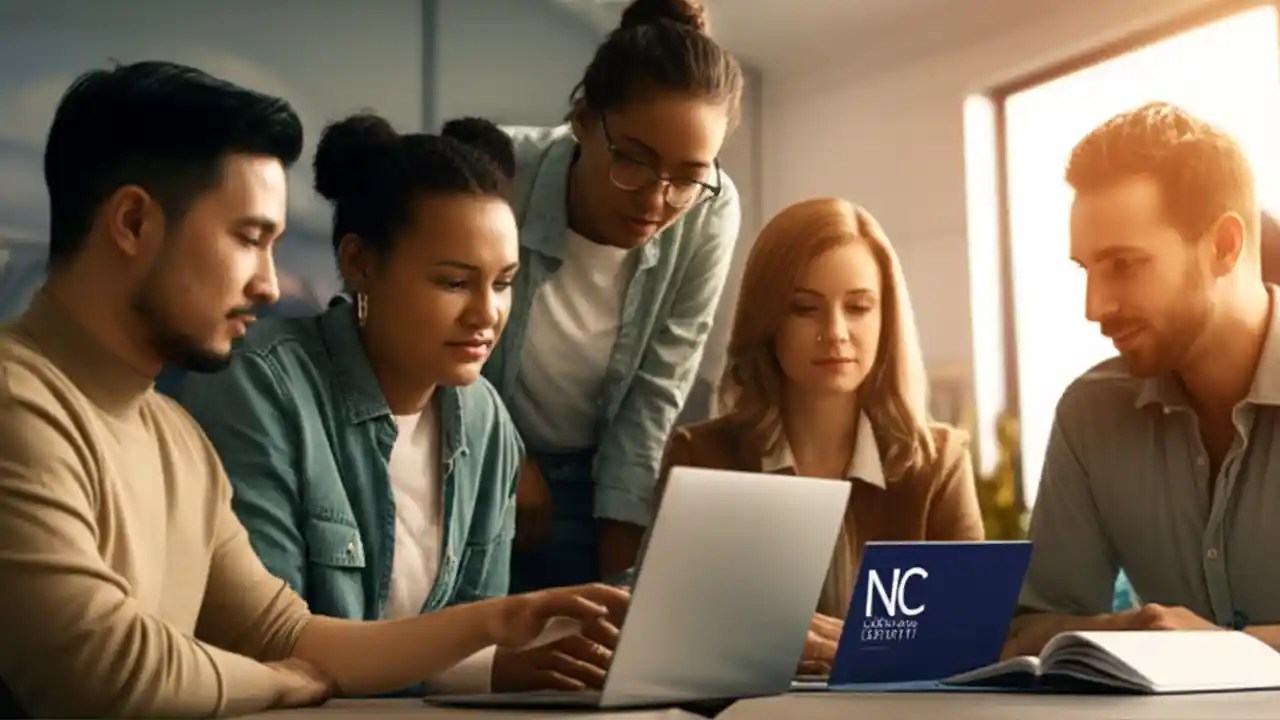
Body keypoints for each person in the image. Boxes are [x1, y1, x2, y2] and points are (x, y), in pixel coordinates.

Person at [0, 61, 624, 718]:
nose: (270, 286)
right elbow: (105, 669)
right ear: (131, 222)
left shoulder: (175, 437)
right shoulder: (19, 403)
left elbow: (288, 635)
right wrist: (281, 682)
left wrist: (506, 620)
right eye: (248, 239)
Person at [182, 113, 618, 694]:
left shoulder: (484, 417)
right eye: (455, 282)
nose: (487, 314)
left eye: (504, 282)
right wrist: (487, 671)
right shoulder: (261, 385)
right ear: (361, 262)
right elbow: (265, 646)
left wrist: (496, 666)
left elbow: (477, 632)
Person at [648, 198, 984, 674]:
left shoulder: (938, 463)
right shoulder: (702, 457)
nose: (835, 332)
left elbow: (966, 644)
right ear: (767, 321)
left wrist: (858, 649)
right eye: (805, 309)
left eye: (859, 307)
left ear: (885, 319)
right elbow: (669, 642)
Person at [1005, 102, 1280, 657]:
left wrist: (1227, 650)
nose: (1094, 307)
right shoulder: (1090, 414)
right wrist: (1133, 634)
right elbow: (1026, 632)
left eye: (1124, 265)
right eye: (1087, 270)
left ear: (1224, 246)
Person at [487, 0, 745, 591]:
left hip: (598, 471)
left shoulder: (712, 208)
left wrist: (618, 583)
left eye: (687, 175)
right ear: (582, 119)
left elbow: (658, 389)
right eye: (633, 158)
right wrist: (503, 449)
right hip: (470, 453)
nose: (656, 201)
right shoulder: (498, 169)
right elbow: (420, 327)